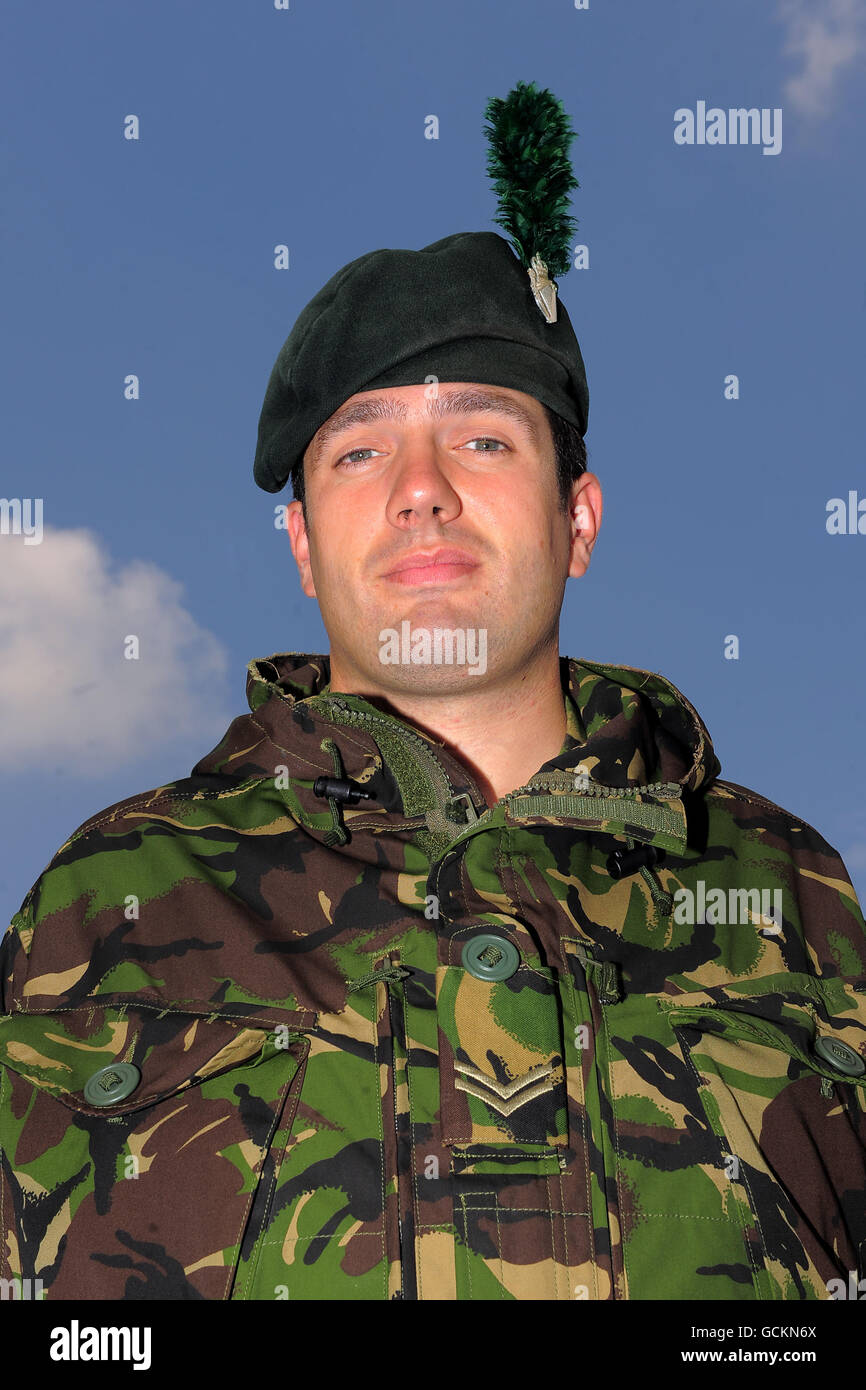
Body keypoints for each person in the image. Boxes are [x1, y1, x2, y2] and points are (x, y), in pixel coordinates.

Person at [2, 83, 865, 1304]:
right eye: (359, 450)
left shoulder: (791, 893)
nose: (420, 489)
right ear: (301, 546)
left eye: (481, 437)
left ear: (578, 519)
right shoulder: (105, 901)